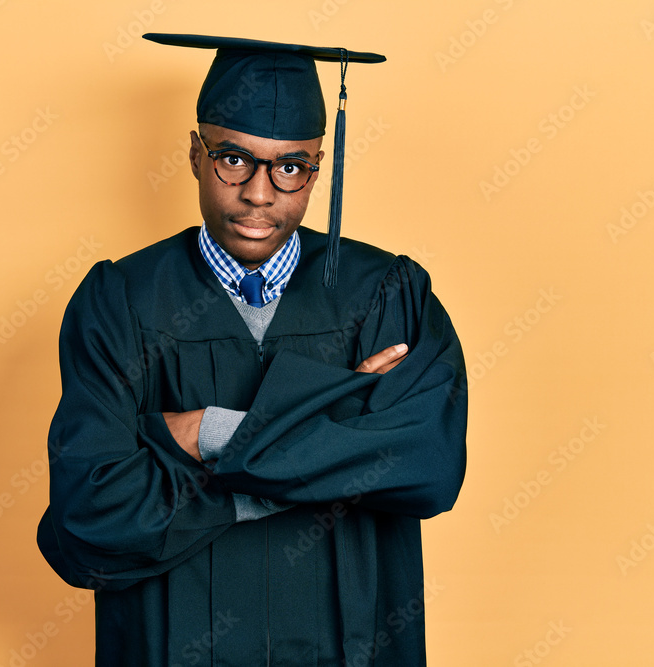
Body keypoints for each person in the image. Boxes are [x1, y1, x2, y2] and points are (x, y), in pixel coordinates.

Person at [36, 33, 468, 666]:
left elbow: (427, 466)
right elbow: (87, 518)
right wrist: (337, 426)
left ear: (318, 165)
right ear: (194, 153)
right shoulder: (121, 301)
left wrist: (203, 435)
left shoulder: (385, 294)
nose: (260, 194)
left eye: (291, 167)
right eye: (233, 159)